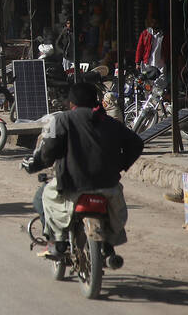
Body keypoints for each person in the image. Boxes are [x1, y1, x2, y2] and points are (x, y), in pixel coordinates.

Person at [21, 81, 142, 265]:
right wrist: (120, 165)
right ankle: (108, 245)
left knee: (41, 196)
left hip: (72, 184)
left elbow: (46, 151)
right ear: (96, 101)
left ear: (71, 103)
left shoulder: (60, 120)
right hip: (108, 185)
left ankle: (57, 241)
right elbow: (137, 143)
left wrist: (32, 165)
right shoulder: (109, 121)